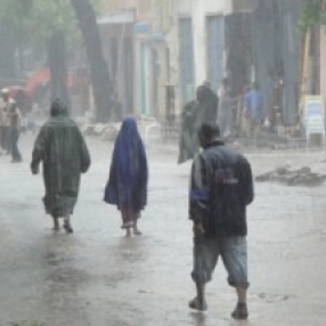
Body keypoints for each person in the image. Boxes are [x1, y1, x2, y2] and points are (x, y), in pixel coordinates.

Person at [188, 122, 254, 320]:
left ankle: (200, 299)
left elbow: (199, 193)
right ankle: (242, 303)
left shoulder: (202, 159)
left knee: (202, 261)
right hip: (236, 223)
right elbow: (248, 196)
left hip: (210, 224)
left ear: (204, 138)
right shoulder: (240, 159)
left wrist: (197, 221)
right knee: (238, 262)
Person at [31, 99, 91, 233]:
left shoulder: (47, 127)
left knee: (54, 192)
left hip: (53, 168)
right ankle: (67, 218)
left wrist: (35, 164)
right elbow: (82, 147)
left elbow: (39, 148)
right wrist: (85, 164)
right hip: (71, 168)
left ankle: (56, 223)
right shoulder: (73, 126)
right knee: (69, 192)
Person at [104, 117, 148, 237]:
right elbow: (143, 160)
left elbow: (115, 160)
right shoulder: (136, 140)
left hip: (124, 179)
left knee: (126, 203)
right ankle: (134, 227)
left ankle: (129, 228)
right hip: (134, 178)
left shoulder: (121, 141)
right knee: (135, 202)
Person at [178, 83, 219, 164]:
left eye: (203, 93)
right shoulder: (194, 103)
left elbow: (212, 115)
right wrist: (187, 115)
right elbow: (184, 111)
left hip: (206, 130)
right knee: (191, 145)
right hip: (195, 130)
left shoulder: (209, 104)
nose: (200, 95)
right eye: (199, 93)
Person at [0, 88, 15, 154]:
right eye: (3, 94)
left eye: (6, 94)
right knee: (2, 137)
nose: (4, 96)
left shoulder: (12, 102)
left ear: (8, 94)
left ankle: (8, 150)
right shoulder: (0, 101)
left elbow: (14, 112)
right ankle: (3, 149)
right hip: (1, 122)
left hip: (9, 122)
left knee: (8, 137)